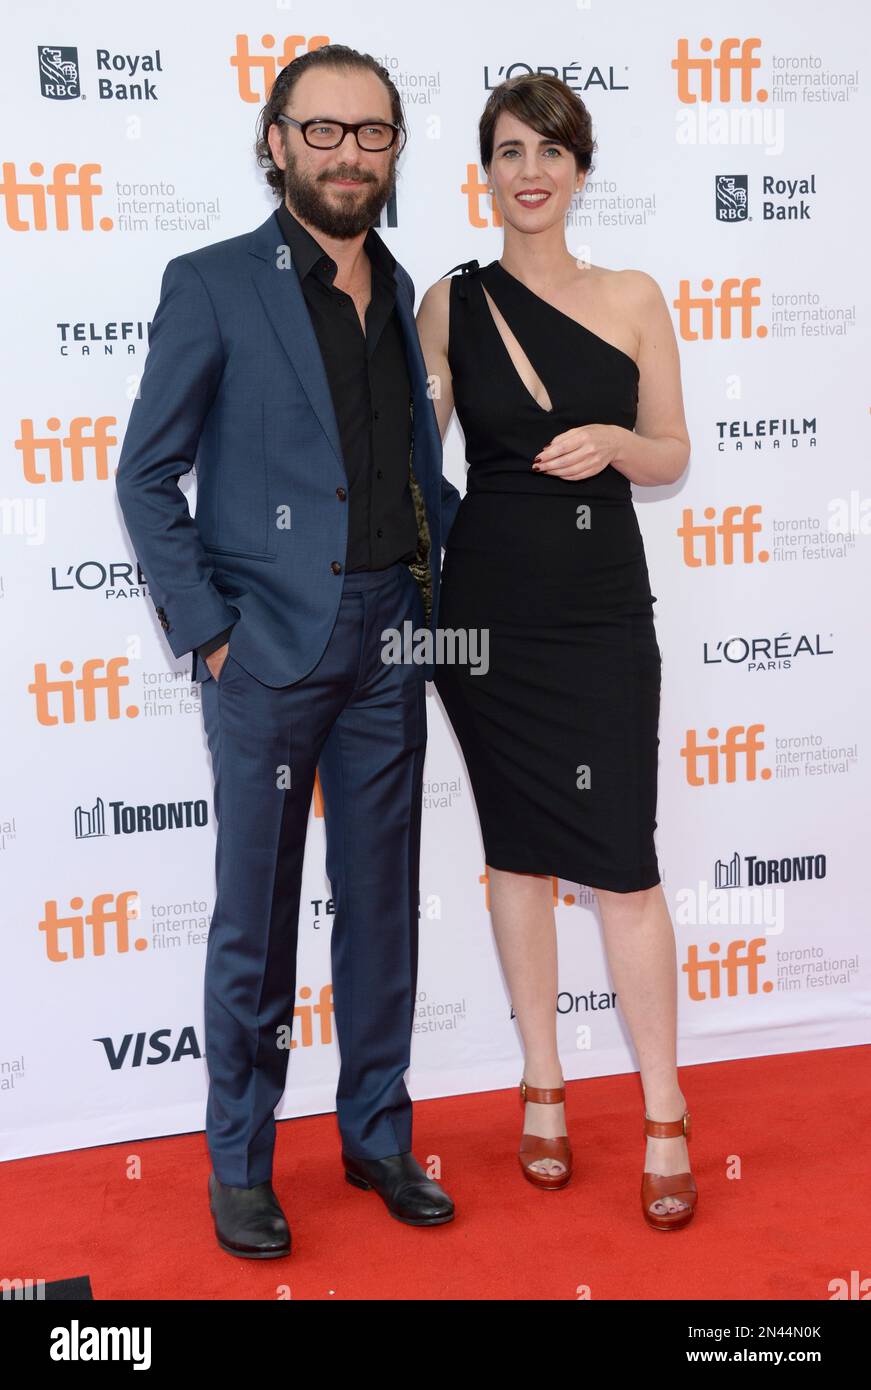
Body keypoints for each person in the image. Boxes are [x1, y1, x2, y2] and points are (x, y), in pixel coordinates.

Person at [116, 44, 461, 1259]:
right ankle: (241, 1164)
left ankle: (374, 1131)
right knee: (255, 922)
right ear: (276, 143)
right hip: (266, 650)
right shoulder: (212, 283)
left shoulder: (402, 284)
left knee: (381, 907)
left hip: (386, 642)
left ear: (394, 150)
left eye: (372, 134)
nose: (348, 154)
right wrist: (212, 636)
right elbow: (144, 474)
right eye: (323, 132)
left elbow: (411, 481)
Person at [416, 73, 696, 1229]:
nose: (530, 169)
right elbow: (410, 459)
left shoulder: (632, 296)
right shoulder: (449, 299)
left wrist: (617, 440)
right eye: (509, 149)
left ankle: (666, 1104)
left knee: (621, 861)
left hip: (596, 608)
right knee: (518, 854)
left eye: (551, 150)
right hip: (486, 613)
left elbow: (673, 453)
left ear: (580, 169)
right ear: (486, 169)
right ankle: (541, 1080)